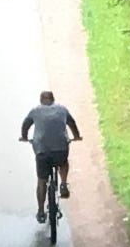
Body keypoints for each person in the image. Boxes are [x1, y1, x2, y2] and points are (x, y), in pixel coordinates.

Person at [18, 89, 82, 222]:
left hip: (42, 151)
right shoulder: (62, 109)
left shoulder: (35, 111)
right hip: (60, 149)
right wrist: (76, 136)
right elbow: (72, 123)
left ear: (41, 100)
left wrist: (24, 137)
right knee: (63, 163)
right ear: (53, 99)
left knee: (42, 180)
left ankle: (41, 211)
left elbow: (25, 125)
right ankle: (63, 184)